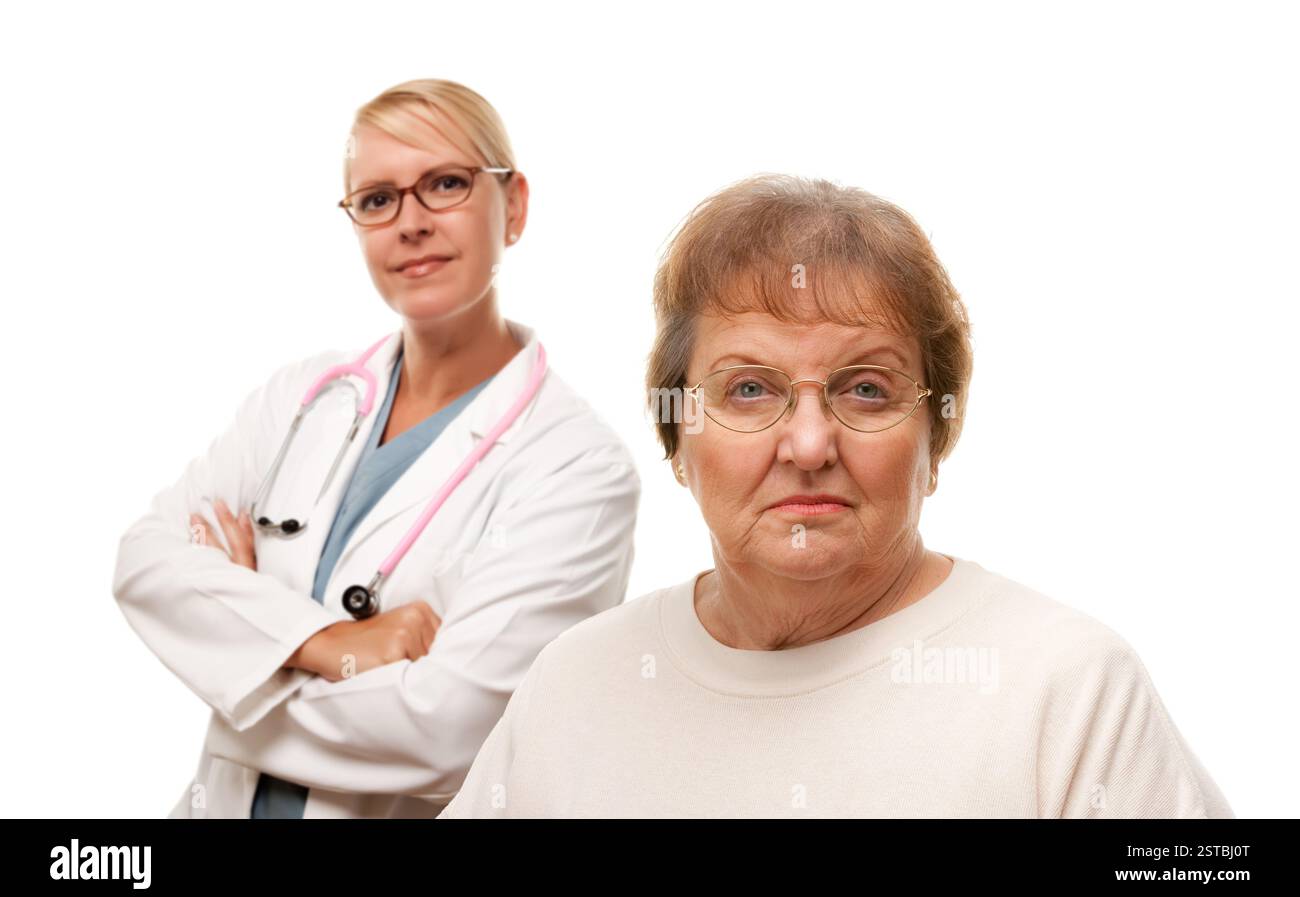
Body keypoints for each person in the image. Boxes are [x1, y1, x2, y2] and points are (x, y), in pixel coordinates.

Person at [439, 173, 1232, 818]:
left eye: (866, 389)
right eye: (749, 389)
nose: (811, 445)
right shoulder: (576, 683)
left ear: (936, 435)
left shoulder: (1067, 687)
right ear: (677, 434)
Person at [112, 78, 640, 818]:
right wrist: (327, 642)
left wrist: (237, 663)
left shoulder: (577, 466)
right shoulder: (303, 398)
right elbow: (144, 562)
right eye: (377, 199)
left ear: (513, 205)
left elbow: (446, 728)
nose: (410, 222)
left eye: (445, 184)